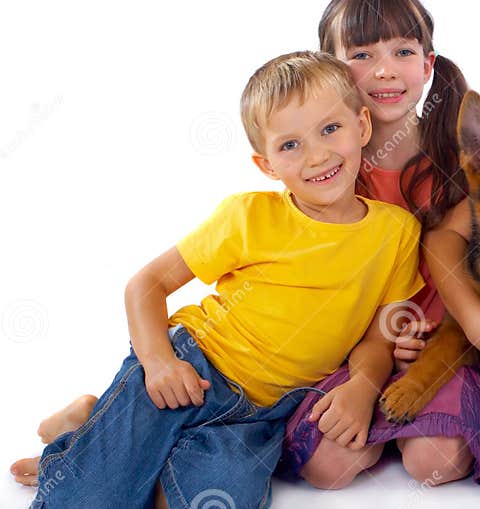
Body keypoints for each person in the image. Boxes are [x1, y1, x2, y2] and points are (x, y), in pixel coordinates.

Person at [14, 51, 425, 508]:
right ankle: (86, 448)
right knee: (89, 500)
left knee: (212, 502)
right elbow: (145, 284)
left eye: (331, 129)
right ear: (266, 165)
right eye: (289, 145)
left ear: (363, 126)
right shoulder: (248, 216)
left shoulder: (397, 233)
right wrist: (158, 362)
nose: (317, 155)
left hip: (262, 417)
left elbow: (377, 336)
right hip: (192, 369)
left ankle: (94, 425)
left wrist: (363, 387)